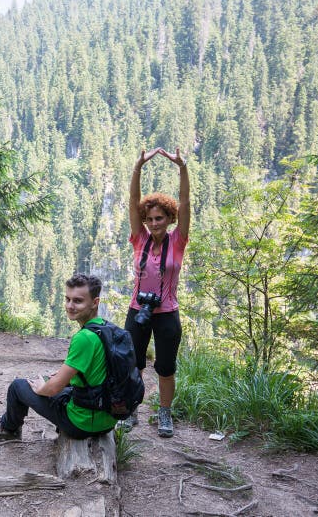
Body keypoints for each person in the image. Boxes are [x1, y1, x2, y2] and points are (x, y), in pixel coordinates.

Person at [0, 273, 118, 440]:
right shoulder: (106, 328)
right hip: (108, 418)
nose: (70, 305)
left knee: (18, 387)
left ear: (95, 303)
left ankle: (8, 429)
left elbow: (52, 389)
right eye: (68, 299)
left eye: (78, 301)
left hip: (83, 424)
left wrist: (41, 388)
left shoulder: (84, 338)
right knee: (49, 379)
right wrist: (57, 379)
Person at [123, 147, 190, 437]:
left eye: (159, 218)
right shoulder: (140, 239)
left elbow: (186, 202)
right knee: (133, 363)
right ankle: (131, 410)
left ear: (169, 218)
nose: (153, 224)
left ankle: (164, 414)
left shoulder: (178, 242)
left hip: (166, 313)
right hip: (138, 309)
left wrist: (183, 168)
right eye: (149, 219)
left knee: (165, 367)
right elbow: (132, 202)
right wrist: (138, 166)